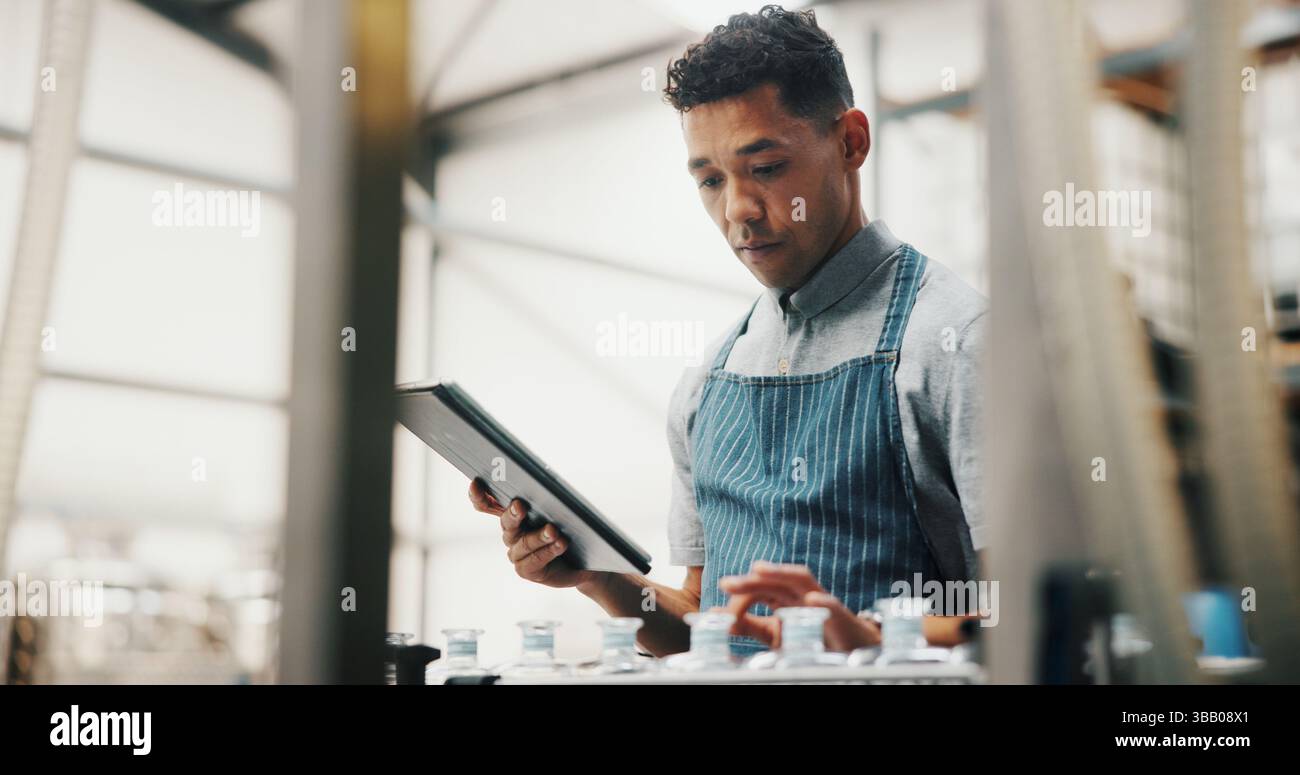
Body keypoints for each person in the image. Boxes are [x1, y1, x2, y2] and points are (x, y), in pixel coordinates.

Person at [469, 4, 986, 656]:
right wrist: (594, 574)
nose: (737, 209)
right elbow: (699, 623)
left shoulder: (956, 341)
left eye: (765, 168)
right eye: (710, 179)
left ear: (851, 141)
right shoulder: (708, 381)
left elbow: (1033, 620)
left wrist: (870, 642)